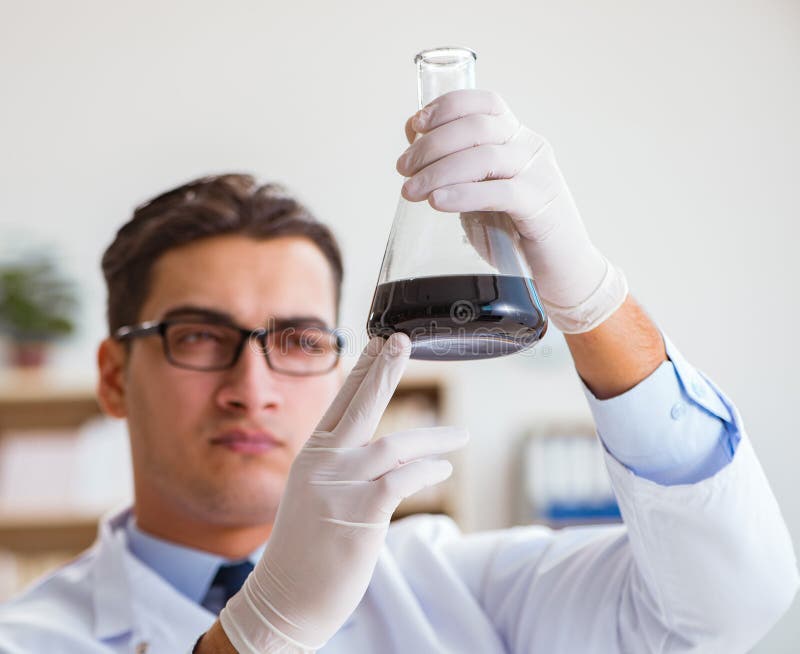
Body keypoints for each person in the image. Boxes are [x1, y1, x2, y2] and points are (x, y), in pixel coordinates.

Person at [0, 90, 796, 654]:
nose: (253, 385)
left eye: (299, 340)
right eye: (199, 336)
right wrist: (257, 634)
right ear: (112, 376)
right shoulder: (30, 636)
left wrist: (590, 297)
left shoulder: (462, 585)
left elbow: (727, 607)